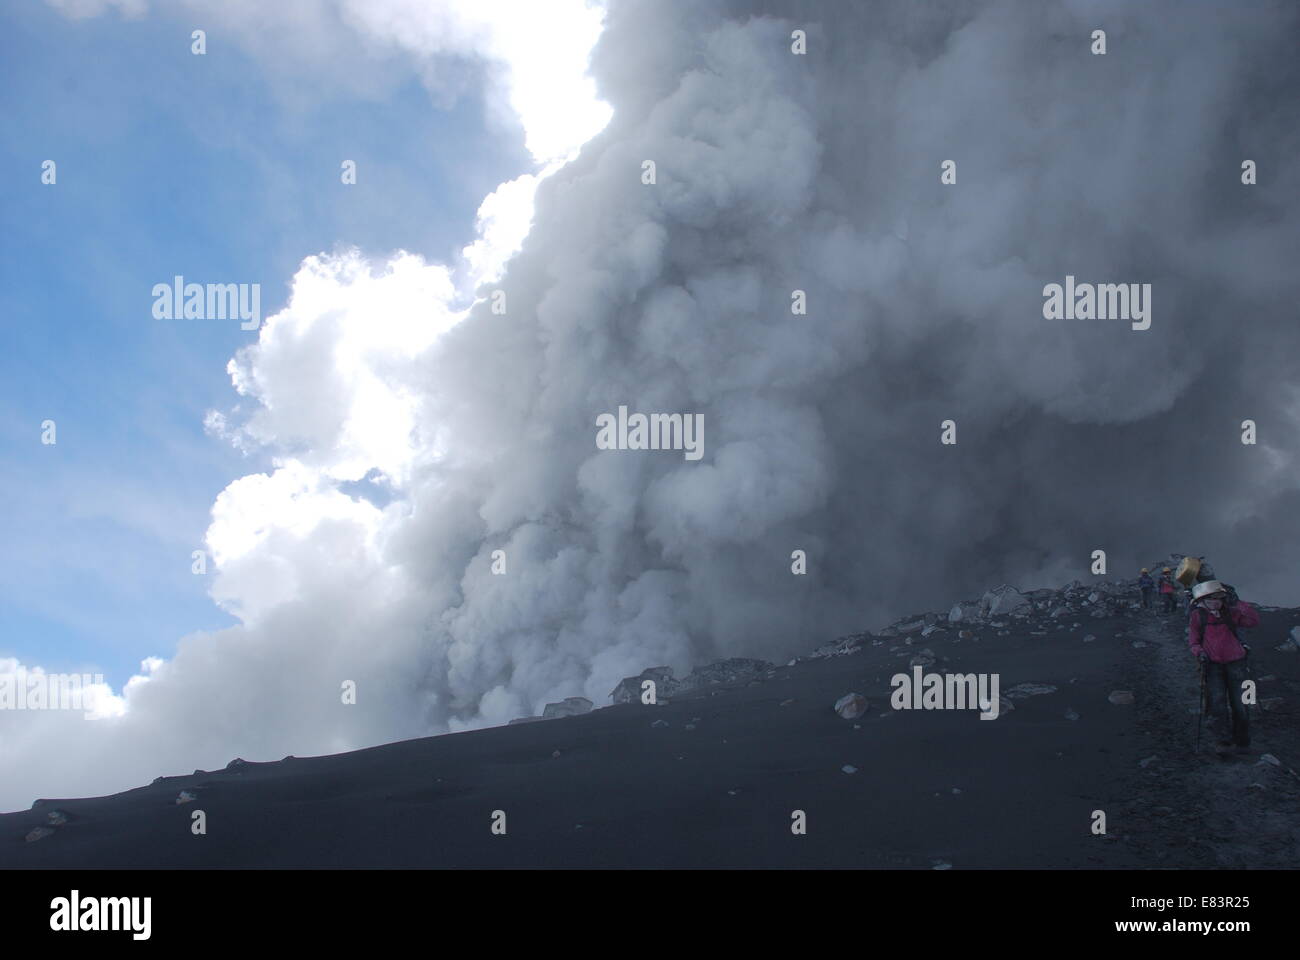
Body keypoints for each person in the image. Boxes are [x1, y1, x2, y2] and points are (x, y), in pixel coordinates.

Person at [1188, 579, 1259, 753]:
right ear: (1203, 600)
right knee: (1217, 704)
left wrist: (1239, 602)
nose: (1215, 602)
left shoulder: (1231, 613)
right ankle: (1223, 742)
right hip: (1213, 666)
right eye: (1211, 599)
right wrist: (1200, 652)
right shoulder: (1198, 616)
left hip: (1236, 663)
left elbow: (1253, 621)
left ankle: (1242, 741)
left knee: (1240, 704)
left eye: (1219, 599)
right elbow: (1193, 641)